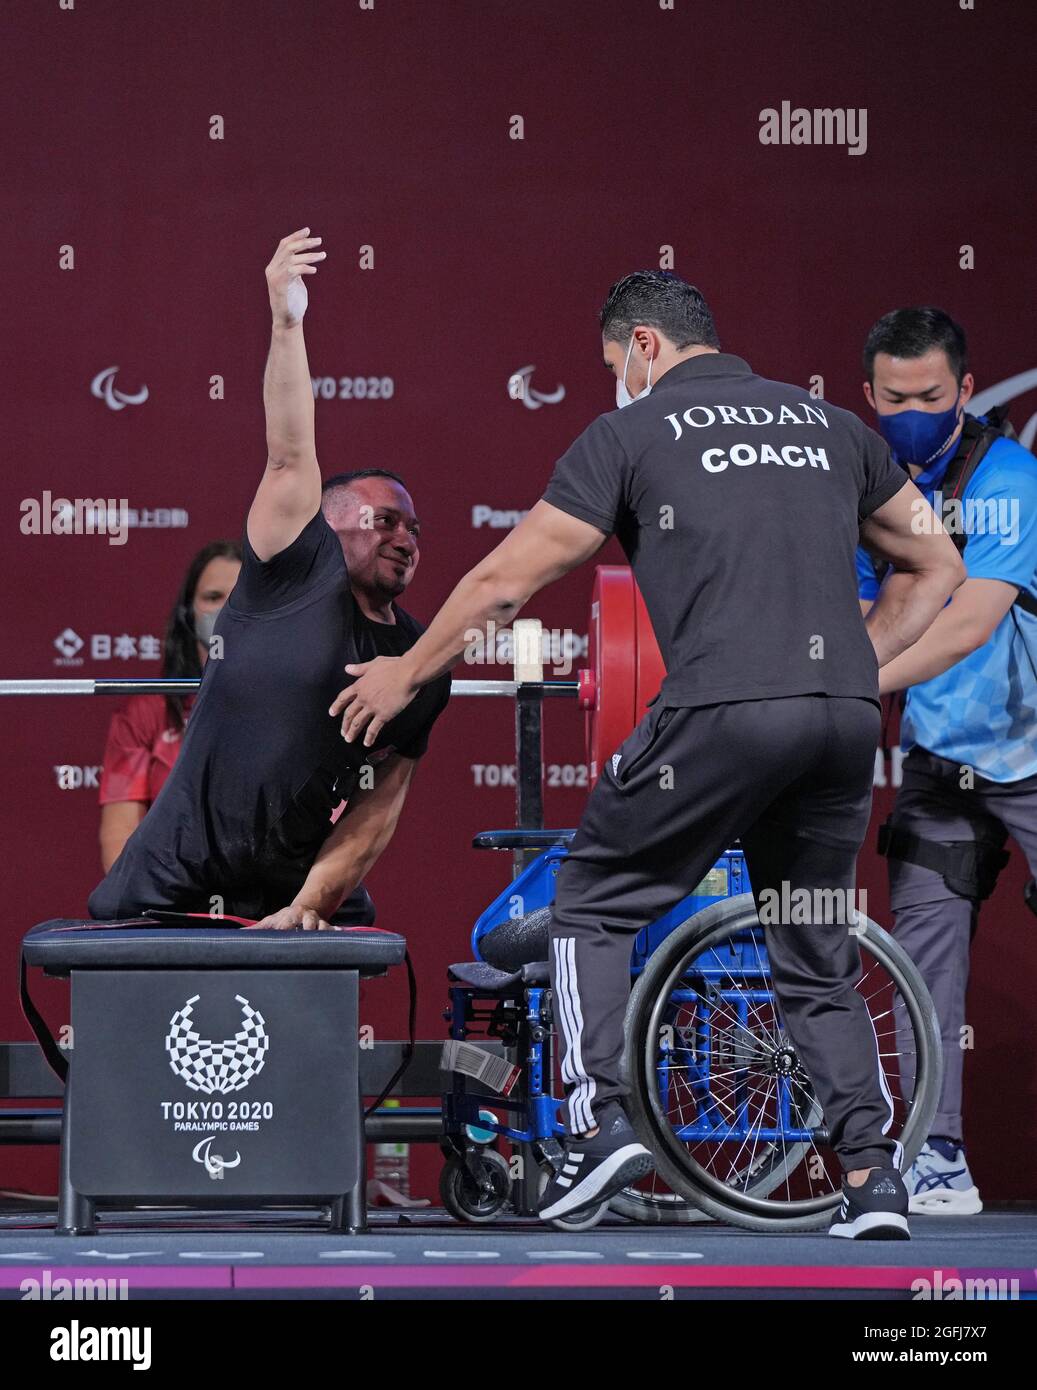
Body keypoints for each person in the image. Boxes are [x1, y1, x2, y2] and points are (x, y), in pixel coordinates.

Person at [329, 270, 965, 1237]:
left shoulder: (629, 434)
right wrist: (847, 665)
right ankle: (874, 1180)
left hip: (718, 712)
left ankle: (597, 1128)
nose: (611, 382)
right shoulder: (831, 426)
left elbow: (506, 577)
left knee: (589, 897)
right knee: (813, 948)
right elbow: (939, 565)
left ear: (642, 348)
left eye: (609, 365)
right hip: (839, 721)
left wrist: (405, 672)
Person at [88, 228, 450, 930]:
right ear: (330, 522)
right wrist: (287, 322)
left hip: (289, 885)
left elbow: (379, 805)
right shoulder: (293, 565)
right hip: (171, 870)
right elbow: (288, 453)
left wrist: (310, 904)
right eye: (384, 522)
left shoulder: (419, 662)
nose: (404, 538)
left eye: (413, 529)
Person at [857, 307, 1037, 1215]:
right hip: (937, 764)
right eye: (895, 397)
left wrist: (849, 682)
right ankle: (933, 1157)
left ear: (965, 391)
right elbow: (866, 618)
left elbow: (965, 623)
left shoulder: (1009, 478)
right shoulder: (875, 488)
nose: (912, 410)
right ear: (868, 395)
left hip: (1035, 754)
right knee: (921, 962)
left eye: (931, 395)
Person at [98, 540, 242, 871]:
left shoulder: (289, 706)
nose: (225, 610)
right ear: (187, 612)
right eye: (212, 597)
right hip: (169, 896)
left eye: (238, 597)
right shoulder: (144, 714)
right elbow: (120, 836)